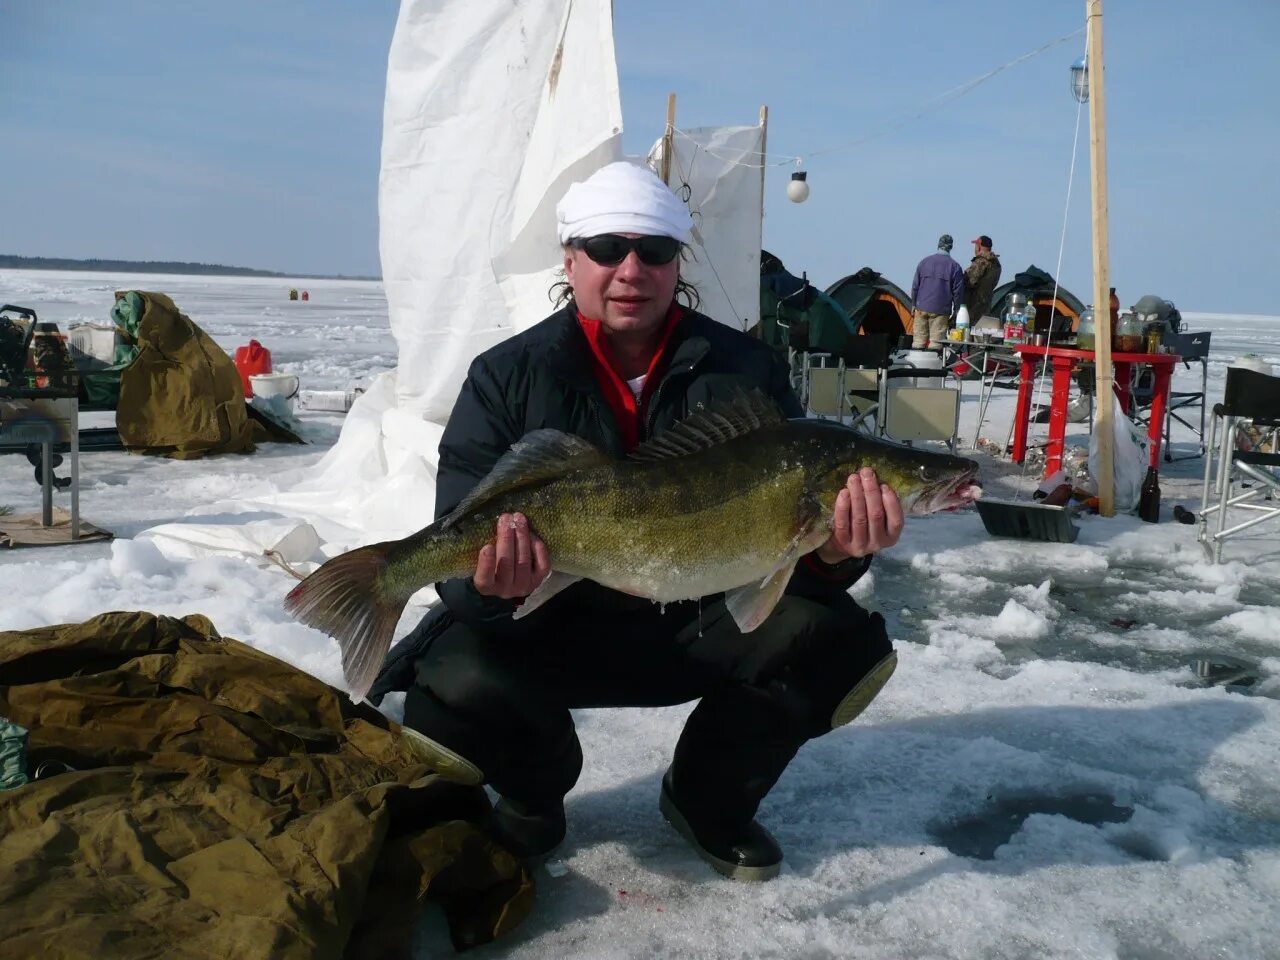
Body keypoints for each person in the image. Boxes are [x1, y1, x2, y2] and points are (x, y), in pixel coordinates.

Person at [377, 161, 902, 882]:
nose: (631, 268)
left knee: (837, 643)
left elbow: (784, 547)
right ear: (570, 259)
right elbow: (459, 551)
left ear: (677, 261)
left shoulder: (745, 368)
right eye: (606, 248)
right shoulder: (506, 376)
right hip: (552, 627)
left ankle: (707, 801)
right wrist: (493, 586)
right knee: (452, 682)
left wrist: (839, 553)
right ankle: (533, 799)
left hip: (692, 621)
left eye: (654, 250)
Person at [910, 234, 965, 348]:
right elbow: (958, 293)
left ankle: (916, 363)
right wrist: (956, 311)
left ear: (938, 245)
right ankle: (932, 364)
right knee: (936, 343)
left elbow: (915, 286)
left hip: (921, 307)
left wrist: (914, 304)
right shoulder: (955, 267)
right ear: (950, 247)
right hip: (940, 310)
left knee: (918, 342)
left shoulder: (924, 262)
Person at [963, 235, 1002, 326]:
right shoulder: (996, 264)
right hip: (985, 306)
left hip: (973, 307)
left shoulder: (981, 262)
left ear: (979, 246)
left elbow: (969, 281)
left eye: (976, 245)